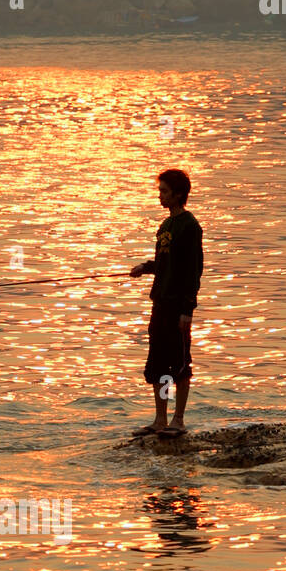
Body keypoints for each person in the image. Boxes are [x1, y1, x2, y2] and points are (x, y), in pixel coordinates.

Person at [130, 168, 203, 436]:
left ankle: (178, 421)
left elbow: (193, 271)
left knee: (180, 364)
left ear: (179, 194)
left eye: (164, 191)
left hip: (177, 307)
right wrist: (145, 267)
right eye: (160, 190)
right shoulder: (165, 226)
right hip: (159, 303)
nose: (159, 196)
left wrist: (187, 310)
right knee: (158, 363)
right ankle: (160, 420)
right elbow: (164, 263)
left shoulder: (190, 227)